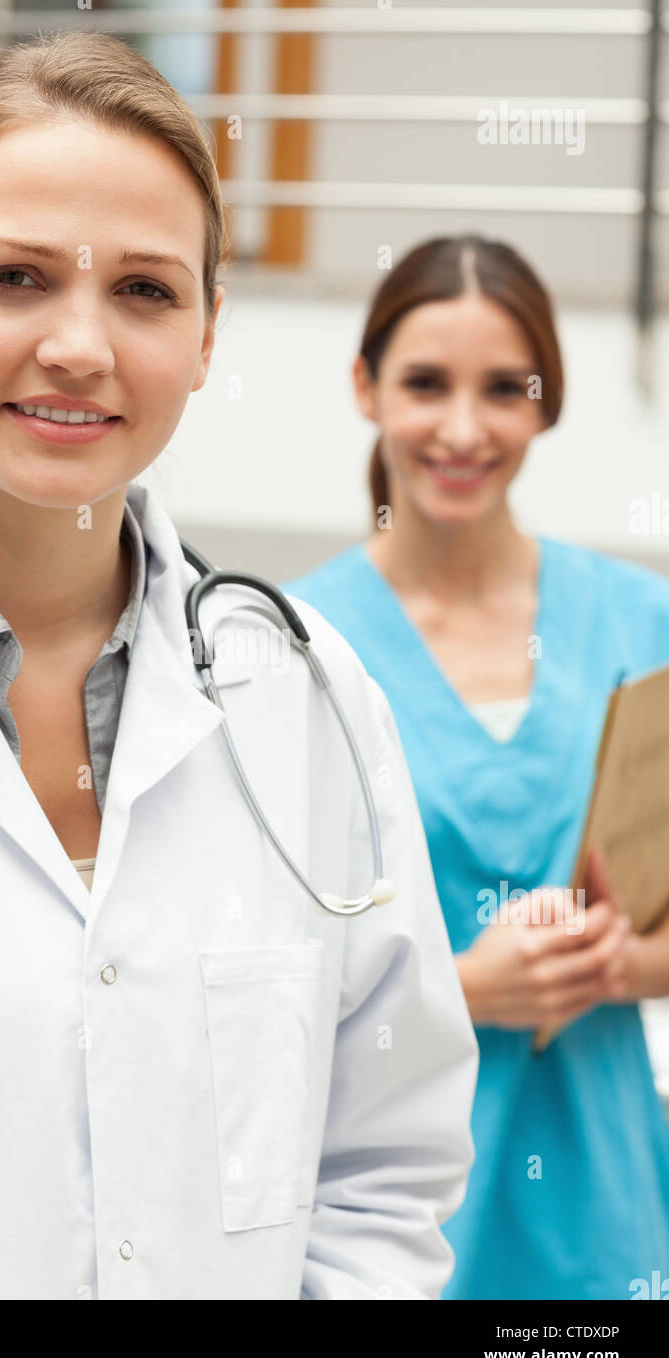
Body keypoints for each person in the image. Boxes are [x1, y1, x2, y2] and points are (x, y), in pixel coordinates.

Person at [0, 33, 477, 1300]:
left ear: (209, 335)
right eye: (13, 277)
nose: (79, 345)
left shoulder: (309, 695)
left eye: (146, 291)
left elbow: (384, 1160)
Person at [285, 234, 669, 1301]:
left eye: (503, 389)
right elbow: (241, 980)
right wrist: (460, 989)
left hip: (600, 1208)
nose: (461, 428)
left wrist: (615, 965)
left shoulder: (641, 623)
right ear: (364, 387)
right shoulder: (286, 647)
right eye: (423, 384)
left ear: (545, 403)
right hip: (382, 1219)